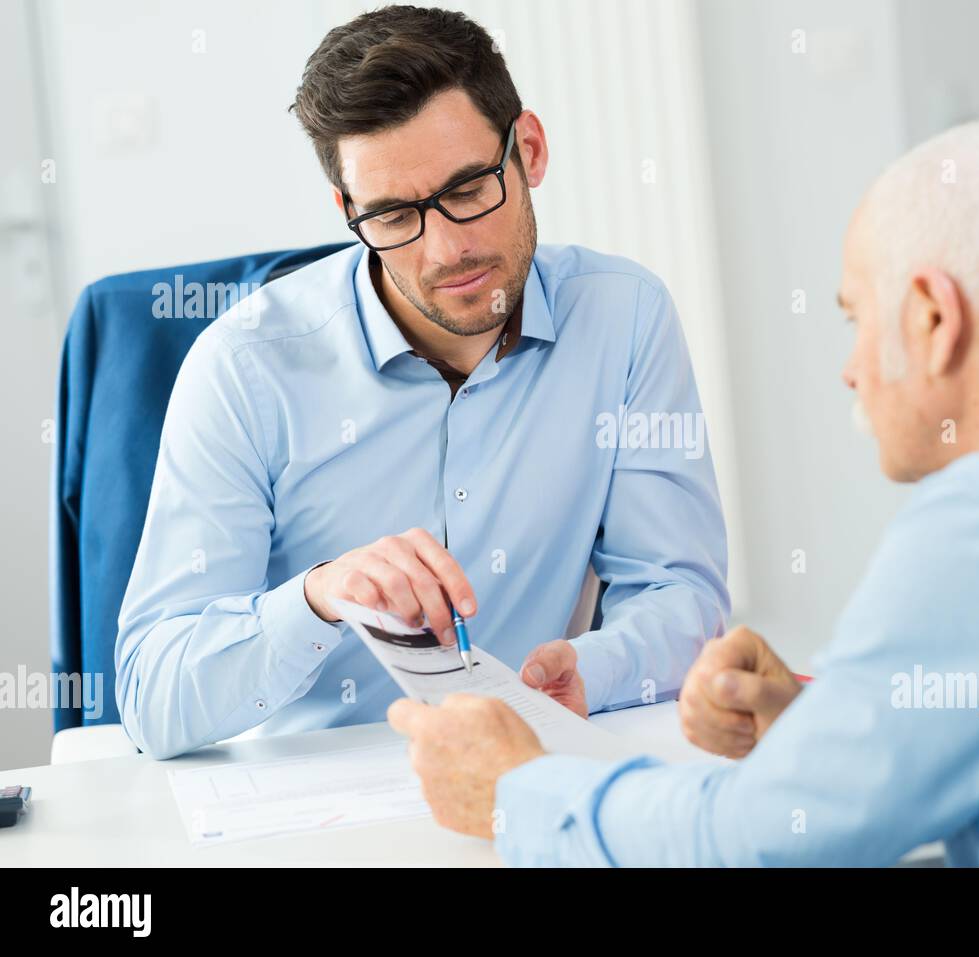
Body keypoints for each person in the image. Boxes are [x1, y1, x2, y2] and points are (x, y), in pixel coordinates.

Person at [390, 119, 979, 866]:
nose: (852, 371)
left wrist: (514, 793)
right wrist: (842, 723)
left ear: (934, 319)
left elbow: (756, 842)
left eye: (858, 320)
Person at [116, 5, 728, 760]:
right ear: (349, 212)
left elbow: (681, 594)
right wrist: (318, 597)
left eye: (469, 188)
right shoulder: (243, 369)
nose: (447, 249)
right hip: (312, 809)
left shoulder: (625, 317)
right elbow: (153, 696)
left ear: (529, 150)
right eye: (396, 215)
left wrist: (590, 670)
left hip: (533, 771)